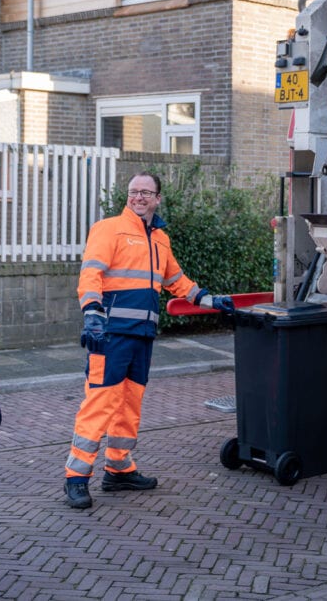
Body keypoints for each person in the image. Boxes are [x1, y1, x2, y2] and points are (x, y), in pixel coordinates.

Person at [63, 172, 236, 509]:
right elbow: (91, 274)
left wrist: (209, 300)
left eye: (146, 192)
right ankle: (76, 477)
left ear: (158, 198)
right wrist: (92, 313)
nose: (138, 197)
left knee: (129, 405)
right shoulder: (109, 229)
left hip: (142, 337)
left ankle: (118, 468)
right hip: (110, 336)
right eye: (133, 191)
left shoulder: (160, 239)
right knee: (98, 405)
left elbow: (176, 281)